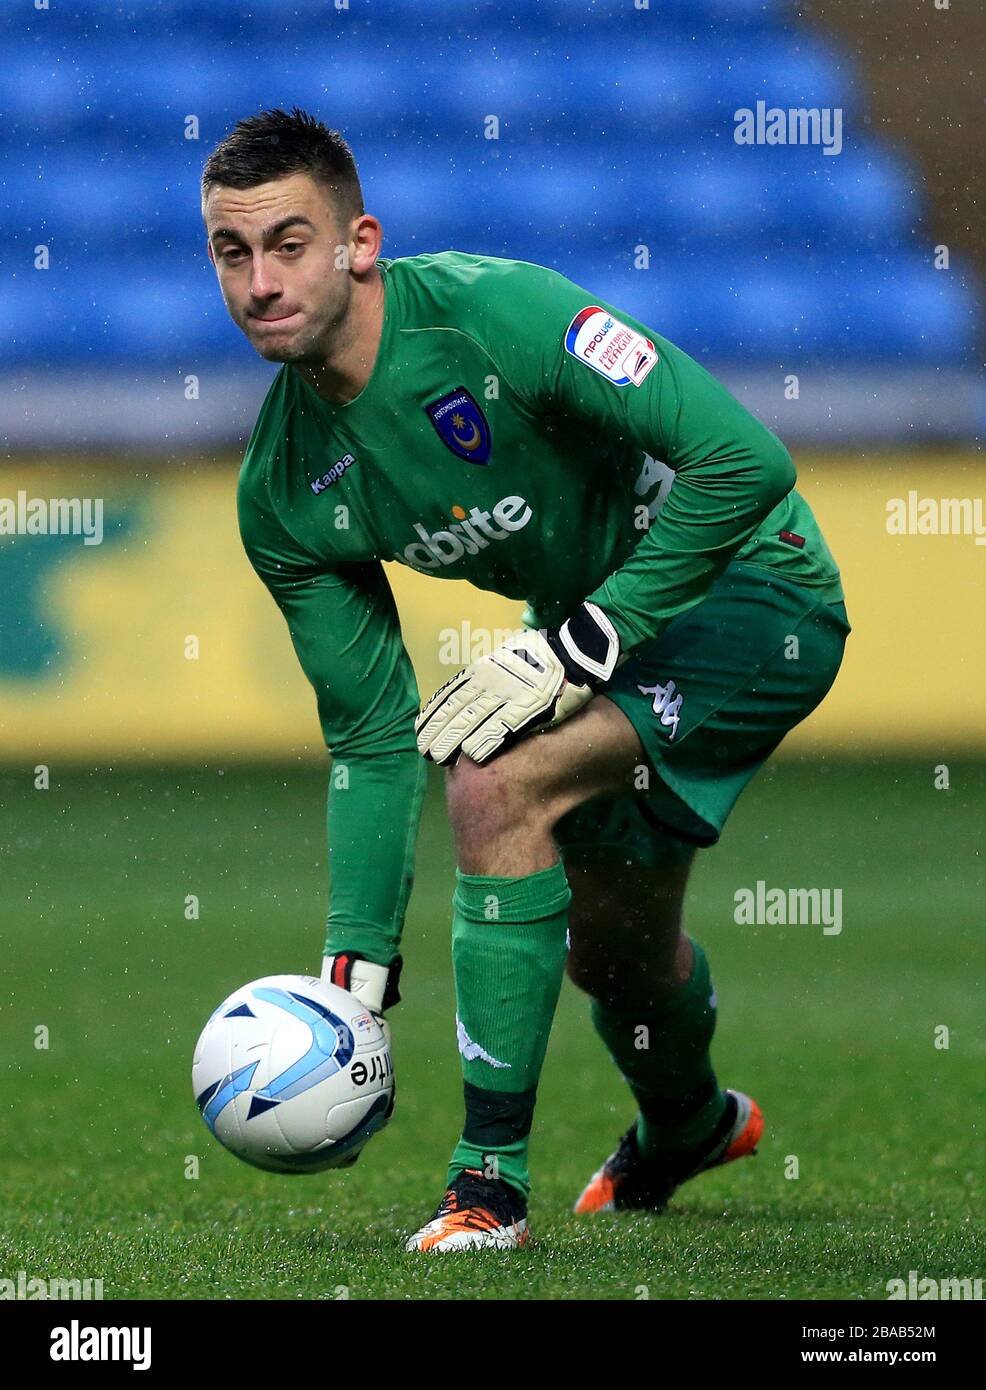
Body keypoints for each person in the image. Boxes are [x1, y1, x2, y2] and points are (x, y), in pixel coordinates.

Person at [202, 107, 850, 1252]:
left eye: (288, 242)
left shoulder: (500, 313)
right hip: (596, 633)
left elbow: (745, 463)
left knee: (492, 775)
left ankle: (486, 1185)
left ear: (359, 242)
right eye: (231, 252)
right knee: (614, 957)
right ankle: (688, 1123)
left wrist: (586, 641)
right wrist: (354, 969)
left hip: (751, 594)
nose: (259, 280)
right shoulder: (284, 491)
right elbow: (365, 735)